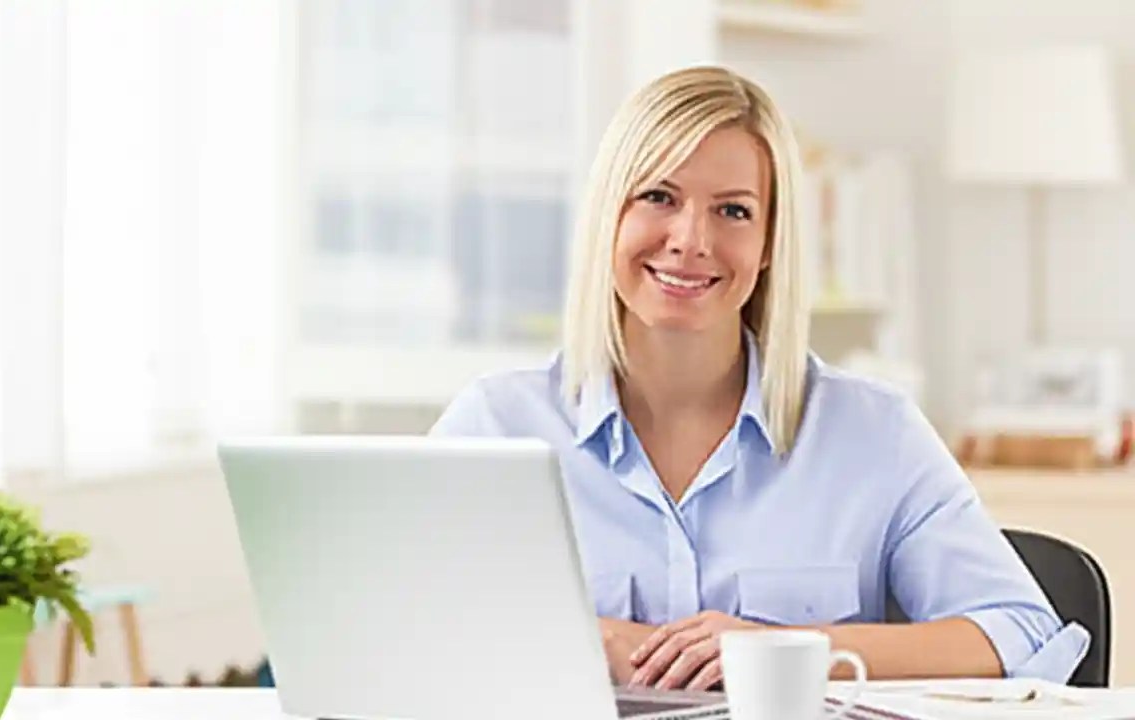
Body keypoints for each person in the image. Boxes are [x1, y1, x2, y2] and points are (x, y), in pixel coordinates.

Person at [429, 65, 1089, 690]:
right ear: (610, 215)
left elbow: (1019, 629)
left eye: (734, 211)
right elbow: (393, 620)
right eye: (659, 197)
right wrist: (591, 639)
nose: (690, 240)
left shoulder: (872, 433)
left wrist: (783, 650)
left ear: (771, 240)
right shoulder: (495, 428)